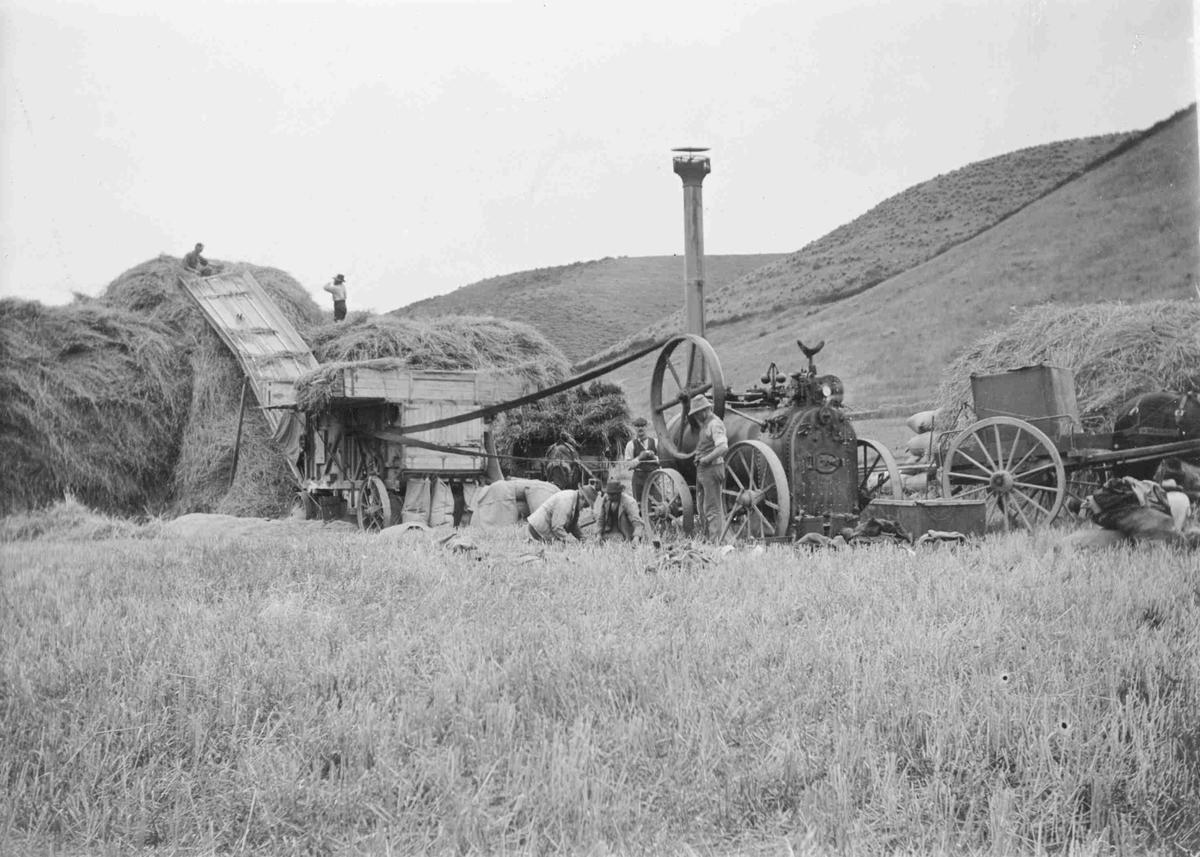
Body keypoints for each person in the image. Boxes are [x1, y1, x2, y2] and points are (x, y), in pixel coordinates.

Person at [690, 394, 728, 540]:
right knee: (704, 506)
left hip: (711, 468)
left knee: (713, 508)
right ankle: (709, 537)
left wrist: (705, 459)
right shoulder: (706, 424)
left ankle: (716, 541)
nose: (696, 417)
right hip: (704, 469)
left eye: (697, 413)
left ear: (704, 410)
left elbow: (723, 447)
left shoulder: (715, 424)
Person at [527, 484, 597, 543]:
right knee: (560, 547)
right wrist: (571, 541)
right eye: (585, 505)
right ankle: (534, 541)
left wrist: (584, 539)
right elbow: (557, 527)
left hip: (546, 528)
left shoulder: (574, 501)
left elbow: (573, 526)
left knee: (563, 543)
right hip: (538, 529)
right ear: (582, 497)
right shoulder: (566, 501)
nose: (583, 509)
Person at [623, 417, 659, 503]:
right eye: (637, 426)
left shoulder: (655, 442)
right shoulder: (630, 444)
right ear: (634, 428)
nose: (640, 428)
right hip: (638, 479)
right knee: (639, 504)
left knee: (657, 503)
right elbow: (628, 465)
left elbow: (663, 461)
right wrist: (639, 457)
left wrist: (654, 457)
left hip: (654, 477)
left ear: (647, 427)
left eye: (643, 425)